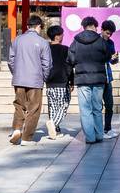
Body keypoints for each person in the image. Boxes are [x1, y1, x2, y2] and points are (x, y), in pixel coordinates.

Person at [7, 14, 52, 146]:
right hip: (35, 80)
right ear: (39, 26)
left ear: (27, 26)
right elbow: (47, 64)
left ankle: (16, 129)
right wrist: (44, 77)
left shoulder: (17, 40)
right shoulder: (43, 42)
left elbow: (11, 60)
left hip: (19, 79)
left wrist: (16, 73)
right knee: (34, 108)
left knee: (19, 105)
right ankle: (27, 138)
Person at [68, 16, 111, 143]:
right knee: (97, 108)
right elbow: (107, 56)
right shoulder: (101, 41)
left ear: (84, 26)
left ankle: (90, 138)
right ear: (94, 26)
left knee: (85, 109)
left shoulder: (76, 41)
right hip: (98, 79)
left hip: (82, 79)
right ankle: (99, 135)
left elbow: (70, 59)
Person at [44, 24, 73, 138]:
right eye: (62, 34)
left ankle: (55, 130)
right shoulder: (65, 49)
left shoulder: (45, 49)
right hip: (62, 81)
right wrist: (71, 81)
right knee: (64, 104)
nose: (63, 36)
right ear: (57, 37)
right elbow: (69, 66)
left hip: (49, 82)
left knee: (53, 106)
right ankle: (54, 123)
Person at [100, 19, 120, 139]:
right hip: (98, 77)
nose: (109, 36)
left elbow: (112, 61)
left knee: (109, 105)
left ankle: (108, 128)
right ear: (101, 30)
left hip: (108, 77)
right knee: (97, 106)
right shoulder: (96, 41)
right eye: (107, 33)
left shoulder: (111, 43)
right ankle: (98, 130)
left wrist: (115, 58)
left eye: (111, 34)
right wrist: (108, 57)